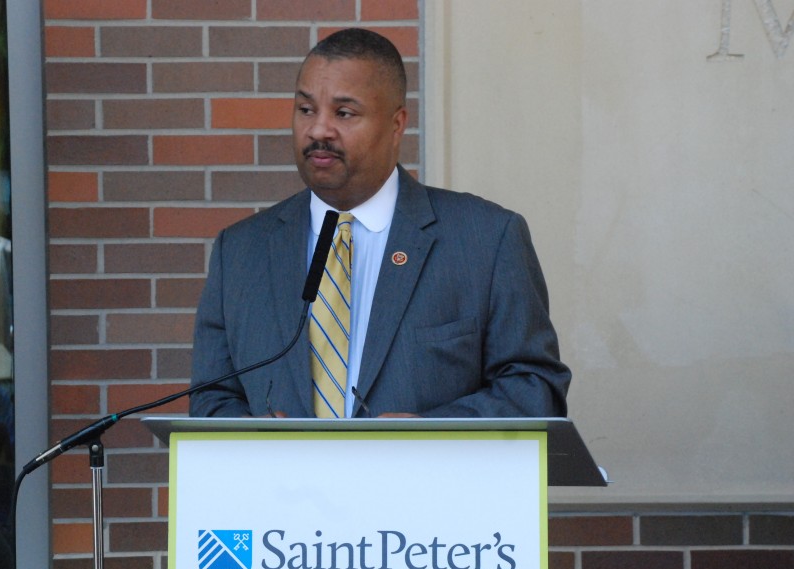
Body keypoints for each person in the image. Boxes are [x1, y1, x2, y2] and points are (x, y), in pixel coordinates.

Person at [189, 28, 570, 419]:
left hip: (426, 479)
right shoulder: (239, 252)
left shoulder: (486, 239)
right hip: (285, 481)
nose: (319, 130)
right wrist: (252, 436)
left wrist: (430, 433)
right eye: (306, 110)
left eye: (344, 113)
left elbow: (535, 388)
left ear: (396, 124)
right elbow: (211, 398)